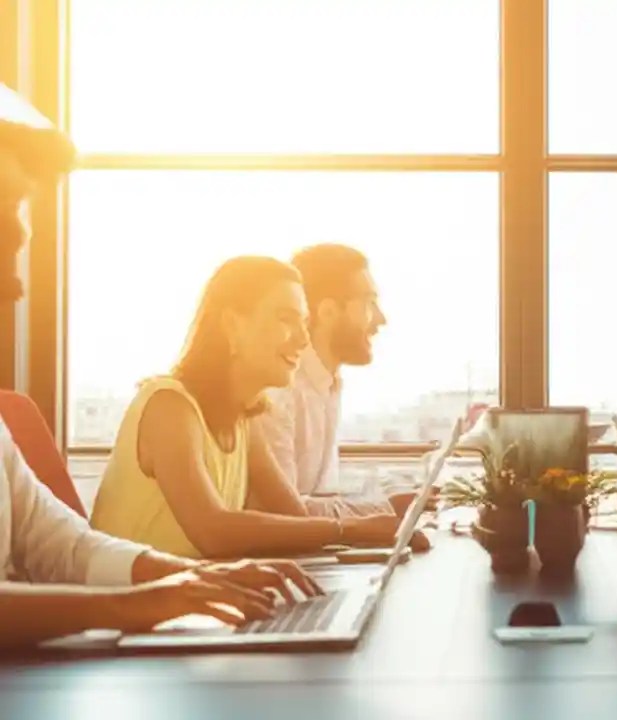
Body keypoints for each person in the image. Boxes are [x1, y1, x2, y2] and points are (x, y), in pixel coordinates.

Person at [0, 84, 321, 647]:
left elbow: (65, 545)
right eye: (6, 203)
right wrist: (137, 605)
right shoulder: (172, 404)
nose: (23, 231)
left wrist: (187, 577)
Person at [91, 256, 424, 558]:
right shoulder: (168, 405)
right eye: (286, 319)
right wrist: (351, 529)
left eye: (304, 322)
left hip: (197, 601)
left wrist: (380, 527)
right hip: (131, 613)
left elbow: (292, 515)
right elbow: (213, 532)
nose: (303, 338)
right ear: (232, 325)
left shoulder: (244, 419)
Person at [253, 244, 414, 517]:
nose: (380, 319)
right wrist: (384, 510)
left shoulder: (328, 384)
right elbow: (283, 512)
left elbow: (319, 498)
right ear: (327, 311)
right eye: (368, 302)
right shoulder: (279, 392)